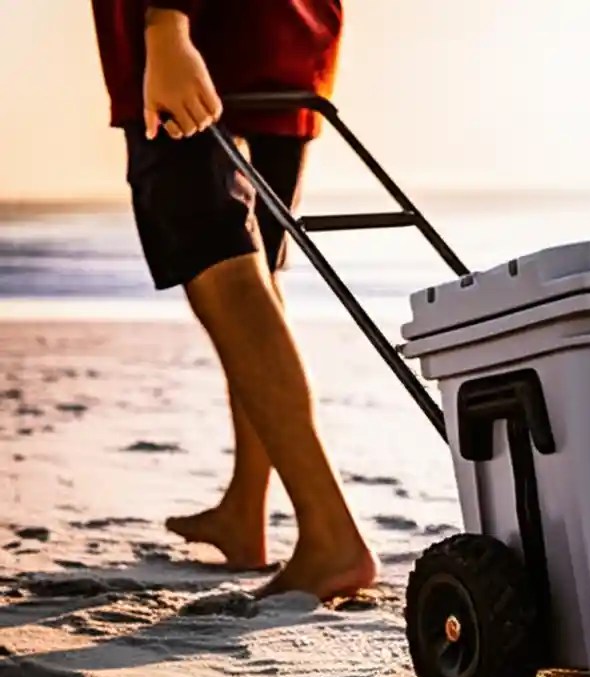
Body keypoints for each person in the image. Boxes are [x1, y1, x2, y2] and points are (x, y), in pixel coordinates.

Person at [90, 0, 378, 600]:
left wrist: (166, 24)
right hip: (288, 34)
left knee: (223, 274)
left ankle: (330, 535)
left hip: (201, 41)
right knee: (254, 281)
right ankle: (246, 510)